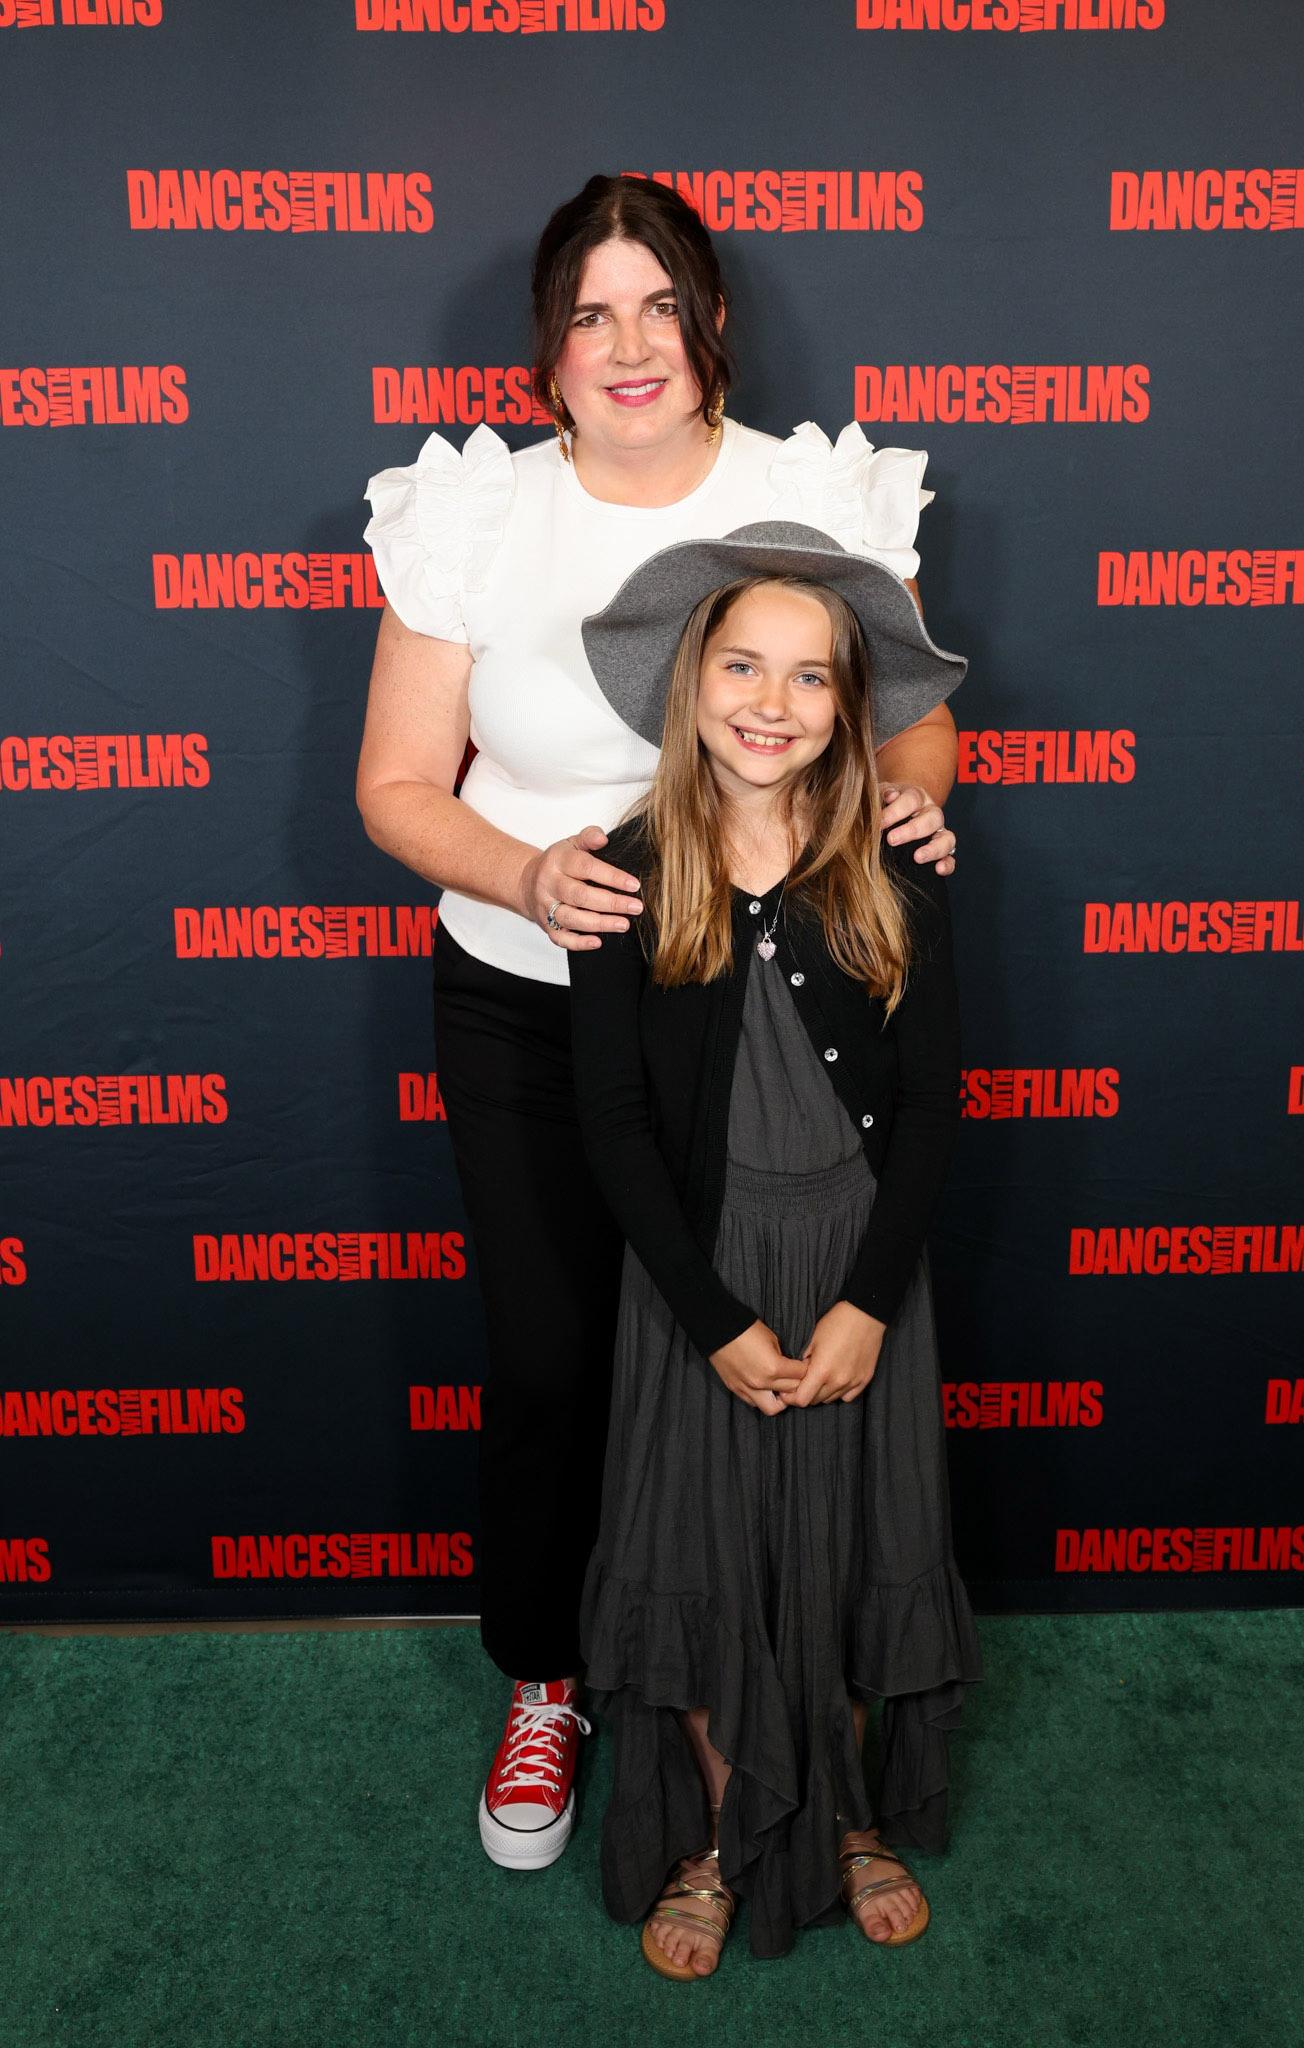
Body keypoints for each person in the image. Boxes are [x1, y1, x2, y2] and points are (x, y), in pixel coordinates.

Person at [356, 172, 964, 1872]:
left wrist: (915, 807)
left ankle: (781, 1689)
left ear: (710, 325)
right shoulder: (476, 519)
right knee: (559, 1361)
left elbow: (907, 720)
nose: (627, 345)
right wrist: (526, 873)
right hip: (539, 1002)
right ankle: (549, 1679)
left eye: (656, 306)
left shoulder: (810, 493)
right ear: (545, 352)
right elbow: (395, 789)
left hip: (773, 1031)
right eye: (586, 314)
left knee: (760, 1356)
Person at [568, 522, 983, 1971]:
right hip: (702, 1283)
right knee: (700, 1550)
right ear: (690, 683)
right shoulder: (623, 873)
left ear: (847, 708)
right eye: (742, 663)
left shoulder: (894, 864)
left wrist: (871, 1300)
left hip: (856, 1266)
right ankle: (726, 1822)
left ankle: (849, 1812)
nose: (771, 699)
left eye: (810, 677)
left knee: (853, 1539)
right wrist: (710, 1317)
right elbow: (613, 1126)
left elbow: (933, 1104)